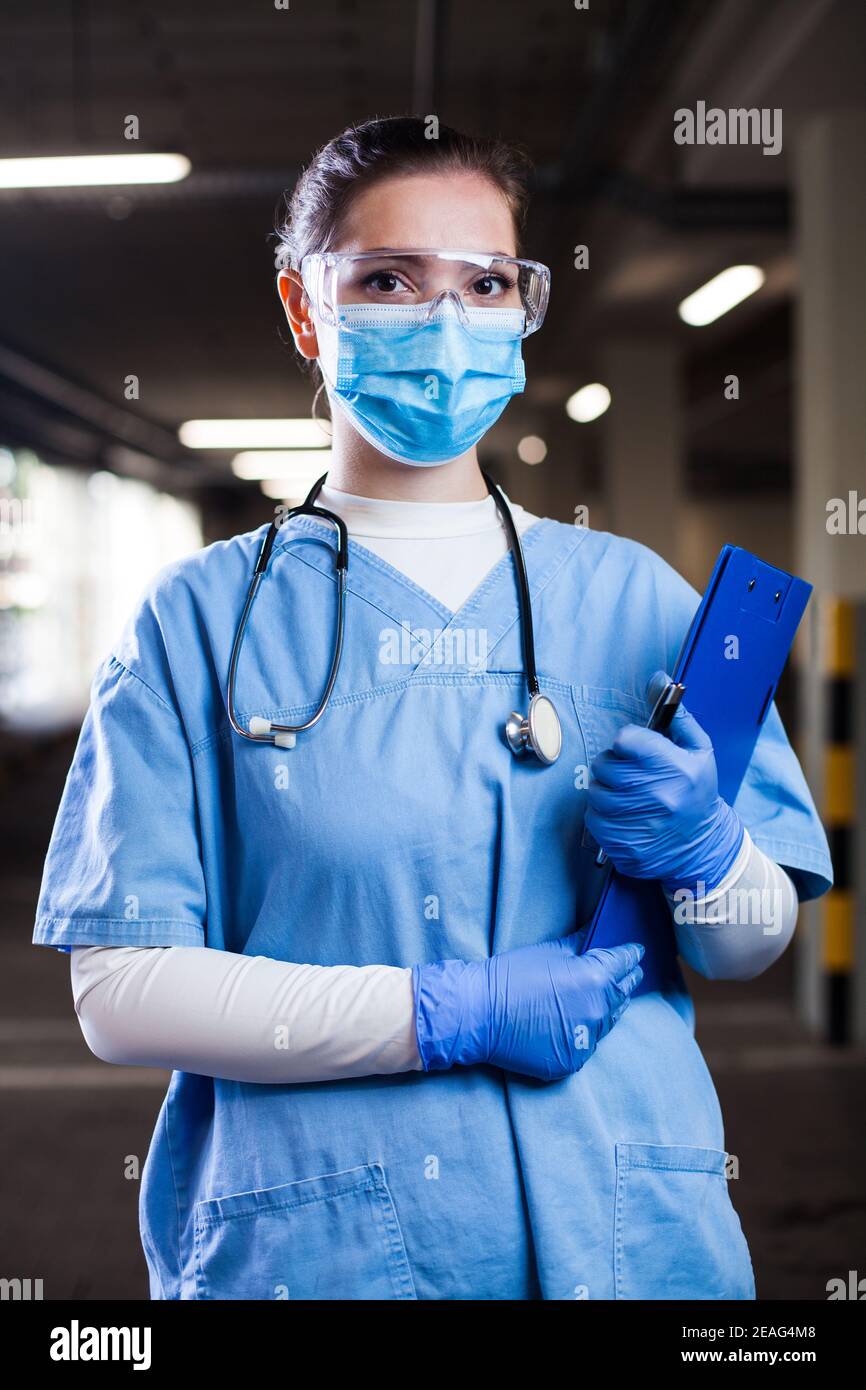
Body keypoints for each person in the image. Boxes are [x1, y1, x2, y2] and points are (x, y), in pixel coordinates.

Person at [33, 116, 832, 1301]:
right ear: (308, 311)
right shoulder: (198, 621)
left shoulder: (637, 601)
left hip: (632, 1239)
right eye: (390, 280)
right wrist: (439, 1013)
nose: (444, 321)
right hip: (316, 1247)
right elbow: (121, 990)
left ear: (522, 307)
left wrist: (710, 853)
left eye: (485, 282)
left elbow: (743, 941)